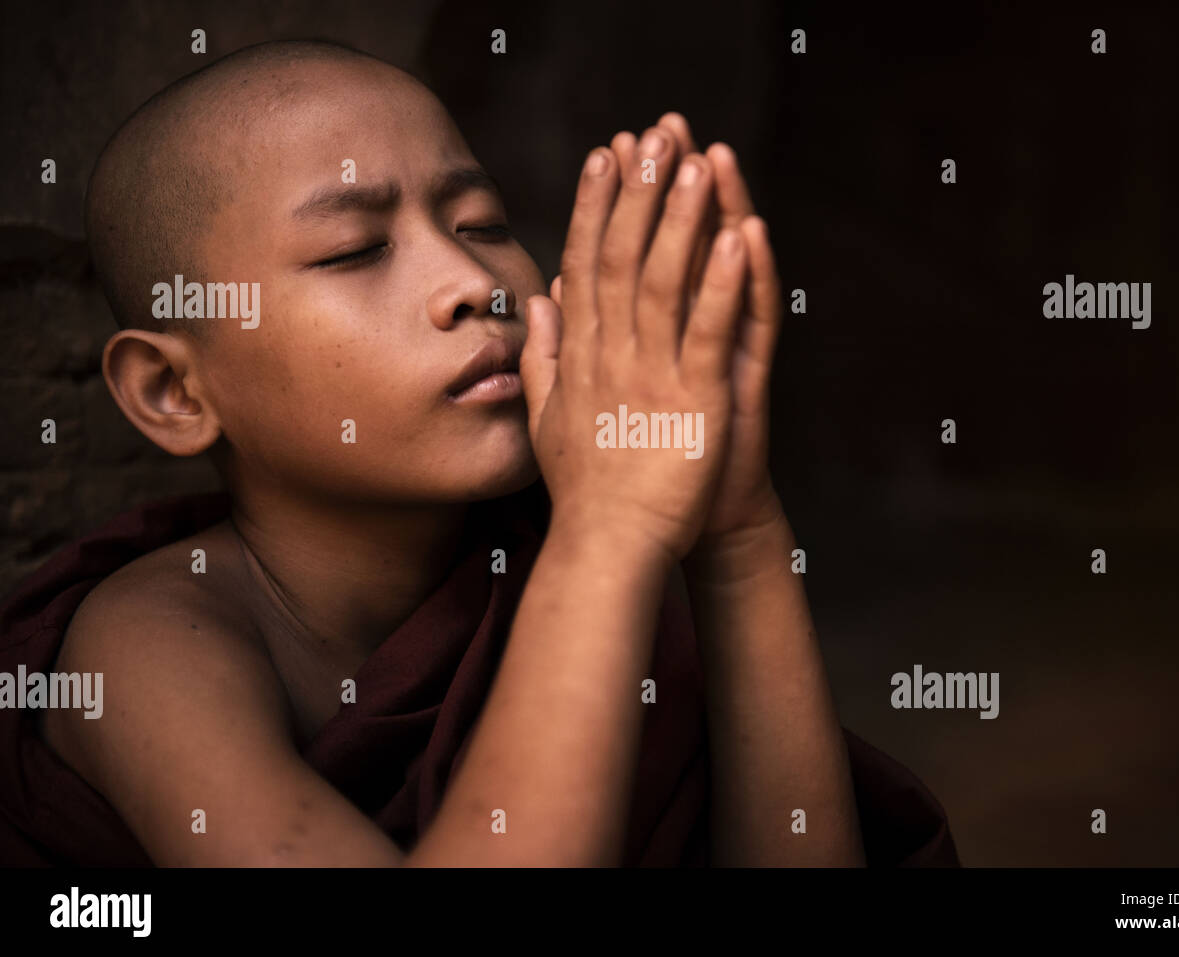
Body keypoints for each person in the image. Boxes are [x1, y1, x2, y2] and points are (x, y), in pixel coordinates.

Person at [0, 39, 957, 866]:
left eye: (483, 227)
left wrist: (739, 532)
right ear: (176, 392)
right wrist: (607, 530)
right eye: (352, 250)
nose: (471, 282)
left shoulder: (538, 564)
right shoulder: (146, 647)